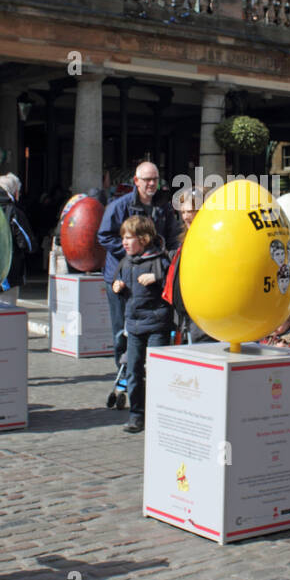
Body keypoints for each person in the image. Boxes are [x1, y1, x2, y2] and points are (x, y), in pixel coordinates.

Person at [97, 162, 181, 376]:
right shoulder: (119, 205)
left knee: (155, 326)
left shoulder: (163, 207)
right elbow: (104, 235)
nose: (151, 183)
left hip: (152, 278)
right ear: (136, 181)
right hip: (121, 277)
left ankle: (148, 372)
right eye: (146, 180)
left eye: (155, 179)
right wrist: (132, 256)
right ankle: (125, 374)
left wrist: (167, 262)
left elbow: (171, 239)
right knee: (121, 329)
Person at [111, 215, 171, 433]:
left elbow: (172, 286)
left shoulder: (159, 260)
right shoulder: (125, 262)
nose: (124, 243)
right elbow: (123, 291)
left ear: (144, 239)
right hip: (134, 325)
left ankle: (158, 412)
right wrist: (118, 288)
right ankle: (136, 414)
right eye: (123, 238)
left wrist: (157, 279)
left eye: (129, 238)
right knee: (133, 370)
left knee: (157, 371)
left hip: (156, 324)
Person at [163, 188, 207, 344]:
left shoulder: (208, 238)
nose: (186, 217)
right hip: (185, 313)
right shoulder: (186, 237)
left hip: (201, 312)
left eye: (191, 211)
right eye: (183, 212)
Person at [0, 173, 37, 303]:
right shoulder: (13, 212)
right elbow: (28, 244)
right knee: (5, 318)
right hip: (5, 277)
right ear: (15, 192)